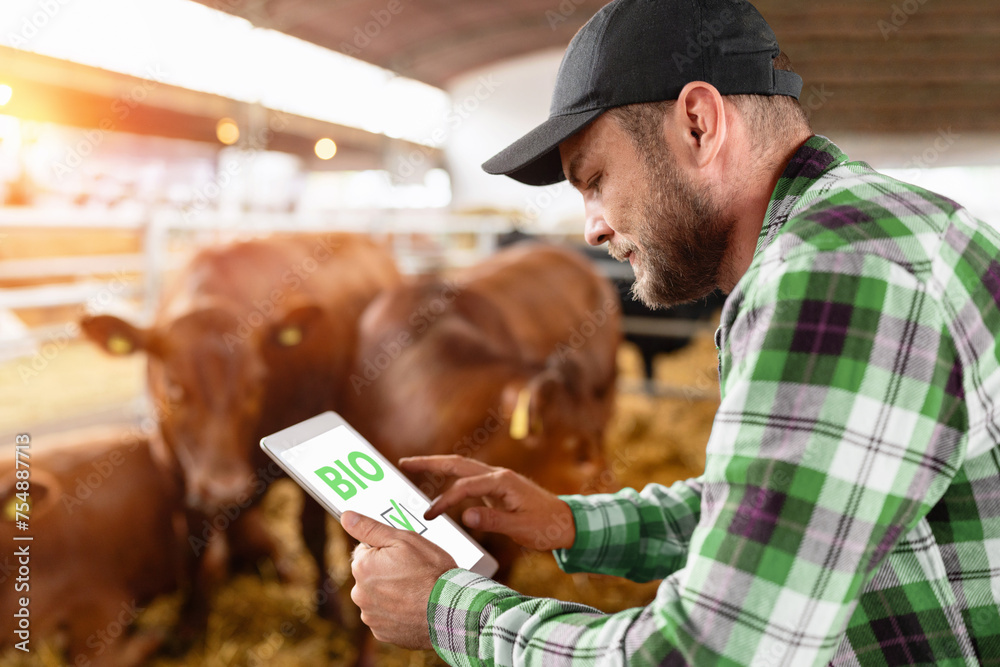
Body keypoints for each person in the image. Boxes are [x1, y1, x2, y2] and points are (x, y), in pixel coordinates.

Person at [343, 0, 1000, 664]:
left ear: (697, 123)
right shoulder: (867, 233)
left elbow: (709, 650)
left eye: (595, 180)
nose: (592, 228)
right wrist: (569, 522)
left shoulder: (831, 276)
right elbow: (779, 510)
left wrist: (449, 611)